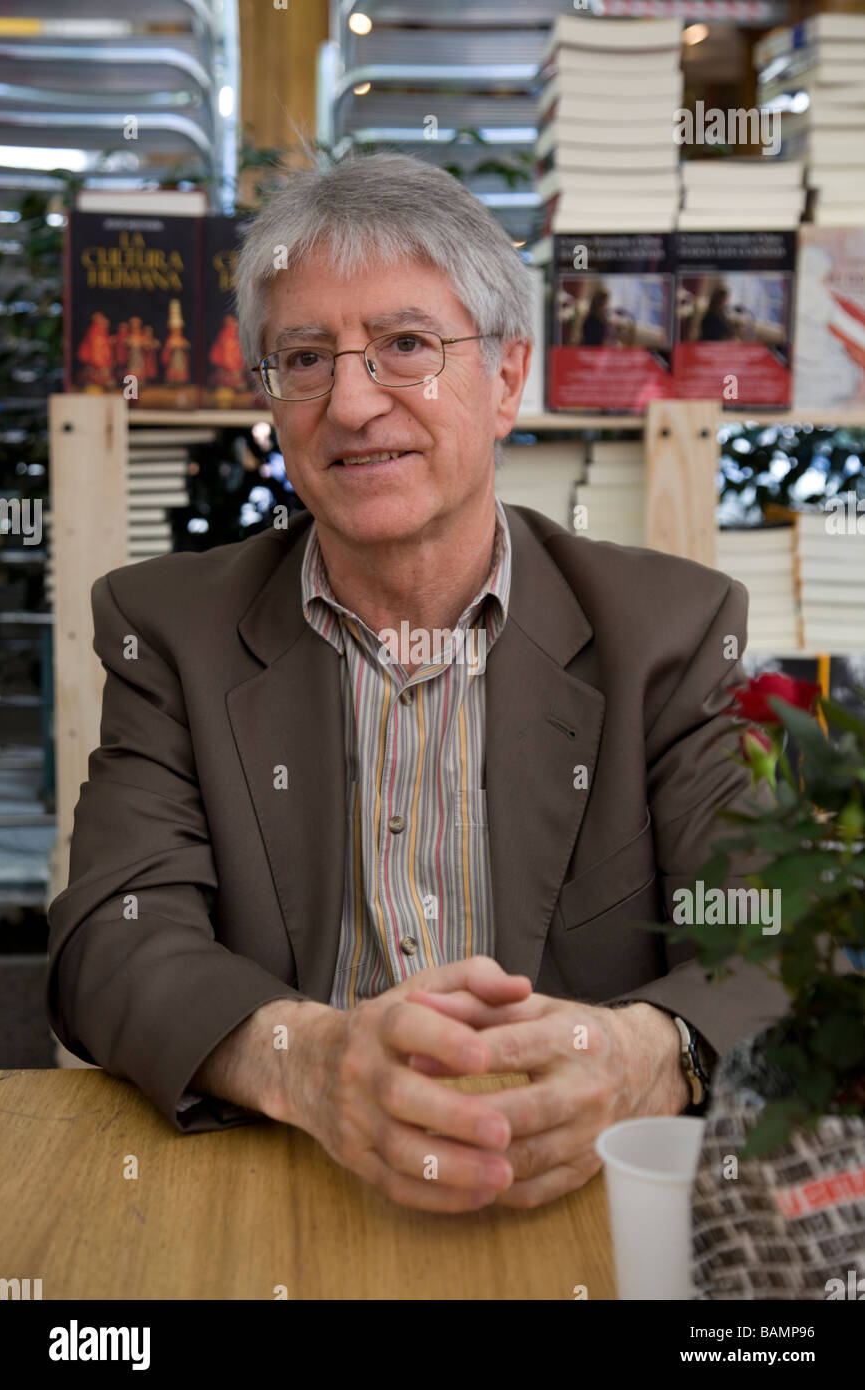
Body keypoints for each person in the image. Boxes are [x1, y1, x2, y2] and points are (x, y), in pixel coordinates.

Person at [47, 153, 786, 1214]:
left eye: (404, 346)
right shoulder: (169, 629)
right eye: (305, 357)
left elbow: (776, 940)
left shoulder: (666, 633)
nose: (351, 403)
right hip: (285, 1184)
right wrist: (305, 1060)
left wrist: (641, 1052)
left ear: (504, 378)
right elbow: (108, 940)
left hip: (574, 1200)